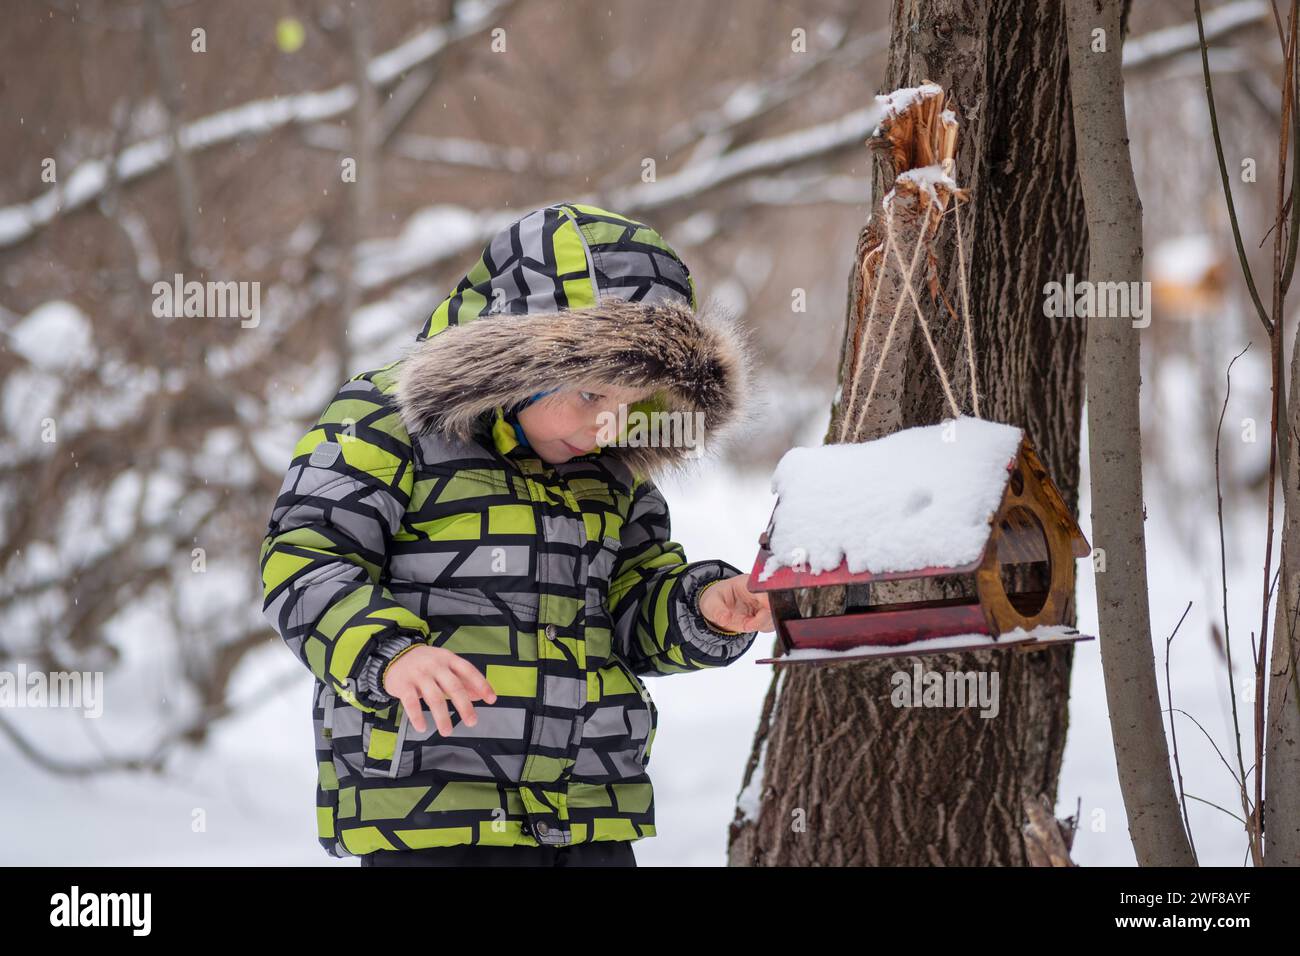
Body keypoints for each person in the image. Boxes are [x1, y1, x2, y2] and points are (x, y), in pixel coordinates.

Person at [258, 202, 773, 867]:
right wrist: (387, 654)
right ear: (517, 356)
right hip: (435, 810)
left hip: (588, 813)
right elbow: (305, 559)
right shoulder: (386, 420)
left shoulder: (612, 471)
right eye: (590, 396)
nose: (605, 428)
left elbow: (629, 605)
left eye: (631, 407)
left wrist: (701, 608)